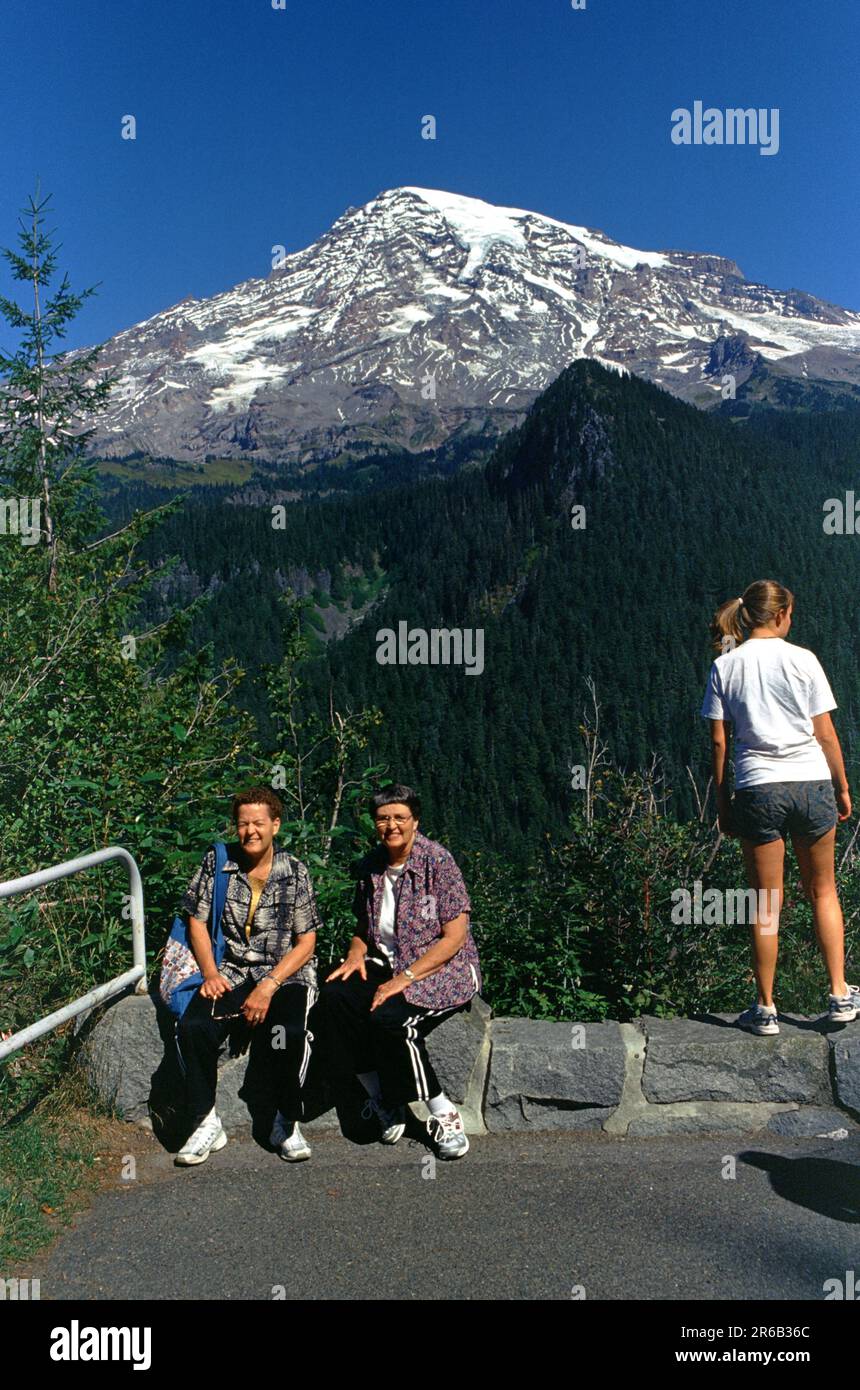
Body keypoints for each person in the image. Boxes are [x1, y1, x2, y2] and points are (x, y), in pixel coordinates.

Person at [701, 580, 858, 1034]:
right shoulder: (804, 659)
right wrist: (842, 787)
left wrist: (723, 802)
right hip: (810, 782)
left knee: (766, 903)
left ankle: (766, 1008)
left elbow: (719, 742)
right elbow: (825, 733)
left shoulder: (725, 665)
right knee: (823, 891)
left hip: (757, 788)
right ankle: (839, 994)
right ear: (781, 614)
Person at [314, 785, 480, 1159]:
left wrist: (403, 980)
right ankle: (382, 1098)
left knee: (392, 1021)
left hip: (441, 968)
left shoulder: (437, 863)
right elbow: (363, 927)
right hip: (388, 963)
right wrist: (355, 953)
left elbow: (454, 937)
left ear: (415, 821)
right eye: (383, 818)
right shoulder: (371, 866)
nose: (391, 826)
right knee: (335, 999)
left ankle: (442, 1112)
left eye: (400, 818)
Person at [174, 786, 322, 1164]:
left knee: (286, 1033)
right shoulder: (218, 863)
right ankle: (206, 1120)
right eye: (243, 824)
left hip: (285, 972)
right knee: (194, 1026)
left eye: (258, 823)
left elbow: (306, 941)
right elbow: (196, 921)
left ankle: (285, 1119)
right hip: (234, 969)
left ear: (276, 825)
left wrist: (269, 987)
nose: (250, 831)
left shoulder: (294, 871)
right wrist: (210, 974)